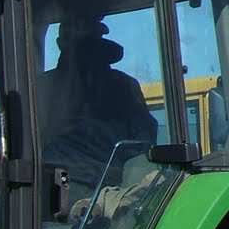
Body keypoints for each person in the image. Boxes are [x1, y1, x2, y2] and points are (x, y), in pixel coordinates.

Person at [40, 18, 158, 190]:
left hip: (102, 187)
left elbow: (142, 145)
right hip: (57, 182)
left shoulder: (124, 86)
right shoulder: (44, 86)